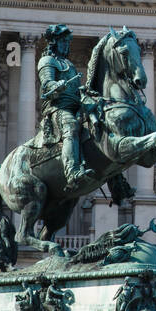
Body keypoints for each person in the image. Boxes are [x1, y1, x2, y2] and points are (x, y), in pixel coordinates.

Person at [38, 24, 98, 189]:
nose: (66, 44)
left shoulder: (69, 65)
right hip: (58, 109)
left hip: (76, 107)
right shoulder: (47, 61)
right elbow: (47, 86)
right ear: (54, 42)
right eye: (63, 41)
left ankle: (118, 185)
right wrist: (56, 86)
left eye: (67, 41)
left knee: (104, 128)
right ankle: (72, 172)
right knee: (71, 126)